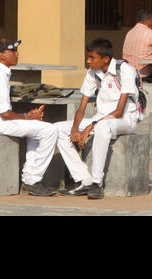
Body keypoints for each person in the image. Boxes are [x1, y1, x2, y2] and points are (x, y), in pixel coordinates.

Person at [54, 39, 143, 200]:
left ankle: (96, 183)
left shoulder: (125, 70)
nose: (88, 61)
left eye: (91, 57)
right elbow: (82, 107)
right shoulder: (92, 73)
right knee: (58, 129)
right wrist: (75, 129)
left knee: (102, 128)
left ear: (105, 59)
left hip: (124, 120)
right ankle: (83, 179)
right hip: (100, 119)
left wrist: (91, 126)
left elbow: (119, 111)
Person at [0, 37, 59, 197]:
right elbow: (5, 113)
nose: (17, 53)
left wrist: (27, 117)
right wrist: (27, 117)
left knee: (37, 132)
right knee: (50, 130)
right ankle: (32, 181)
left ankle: (29, 176)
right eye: (12, 50)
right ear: (1, 55)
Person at [121, 9, 152, 83]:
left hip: (129, 73)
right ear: (148, 21)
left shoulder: (129, 33)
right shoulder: (149, 33)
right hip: (144, 74)